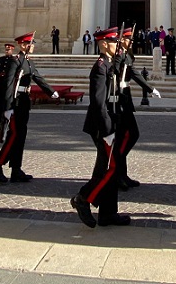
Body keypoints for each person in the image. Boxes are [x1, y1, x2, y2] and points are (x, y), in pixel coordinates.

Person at [71, 27, 128, 228]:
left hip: (111, 121)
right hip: (103, 126)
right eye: (114, 42)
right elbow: (98, 102)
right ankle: (83, 198)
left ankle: (108, 213)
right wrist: (107, 130)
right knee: (111, 168)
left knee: (106, 167)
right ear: (104, 44)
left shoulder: (110, 64)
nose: (117, 44)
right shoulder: (100, 67)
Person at [0, 32, 58, 182]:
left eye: (32, 44)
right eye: (30, 44)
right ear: (23, 45)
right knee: (13, 135)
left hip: (24, 102)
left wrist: (51, 92)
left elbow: (38, 78)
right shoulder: (15, 61)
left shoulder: (28, 62)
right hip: (15, 103)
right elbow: (7, 84)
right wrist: (7, 108)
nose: (32, 46)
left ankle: (16, 169)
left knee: (20, 136)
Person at [114, 26, 161, 190]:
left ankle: (120, 171)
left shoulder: (126, 56)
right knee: (123, 137)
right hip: (118, 100)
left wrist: (150, 88)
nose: (131, 42)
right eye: (129, 39)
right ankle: (116, 172)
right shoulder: (117, 56)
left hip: (125, 99)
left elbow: (134, 73)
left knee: (131, 135)